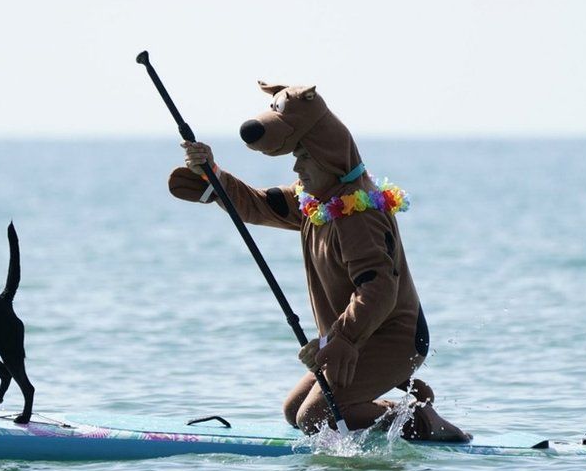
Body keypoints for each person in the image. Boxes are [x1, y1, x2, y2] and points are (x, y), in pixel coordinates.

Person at [167, 82, 469, 441]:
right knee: (294, 412)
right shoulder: (318, 201)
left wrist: (340, 340)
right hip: (356, 335)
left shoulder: (357, 213)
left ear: (327, 156)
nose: (296, 166)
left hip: (391, 337)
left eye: (304, 156)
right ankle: (406, 408)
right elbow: (258, 204)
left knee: (316, 419)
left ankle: (422, 421)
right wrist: (213, 175)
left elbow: (379, 288)